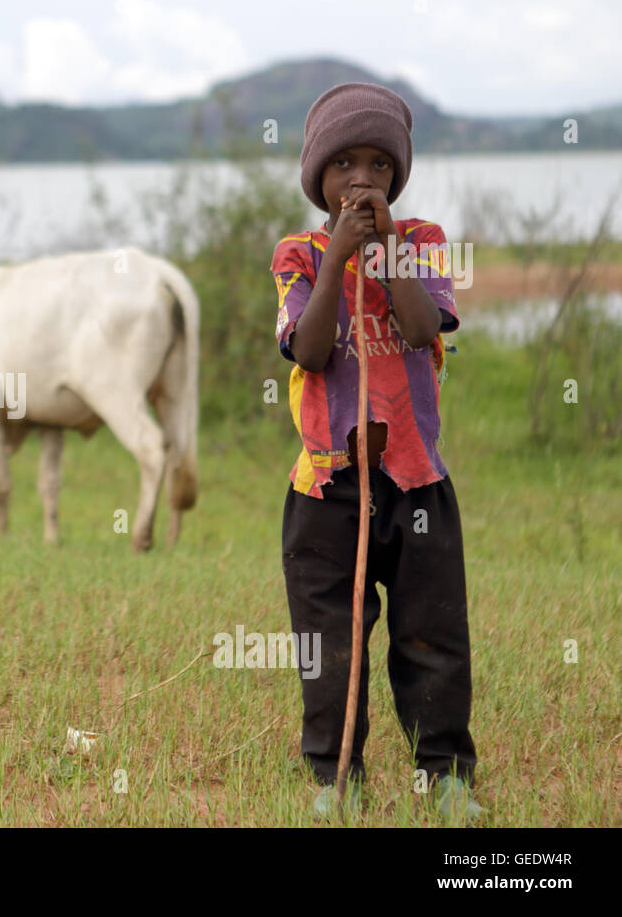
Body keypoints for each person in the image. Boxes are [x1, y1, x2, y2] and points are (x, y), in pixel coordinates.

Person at [271, 82, 480, 822]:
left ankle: (445, 777)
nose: (363, 181)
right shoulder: (298, 255)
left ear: (398, 178)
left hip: (416, 481)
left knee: (432, 634)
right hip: (327, 488)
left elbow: (425, 329)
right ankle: (338, 782)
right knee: (330, 646)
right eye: (345, 166)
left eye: (380, 168)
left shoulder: (421, 243)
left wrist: (385, 251)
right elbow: (313, 347)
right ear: (319, 178)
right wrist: (339, 262)